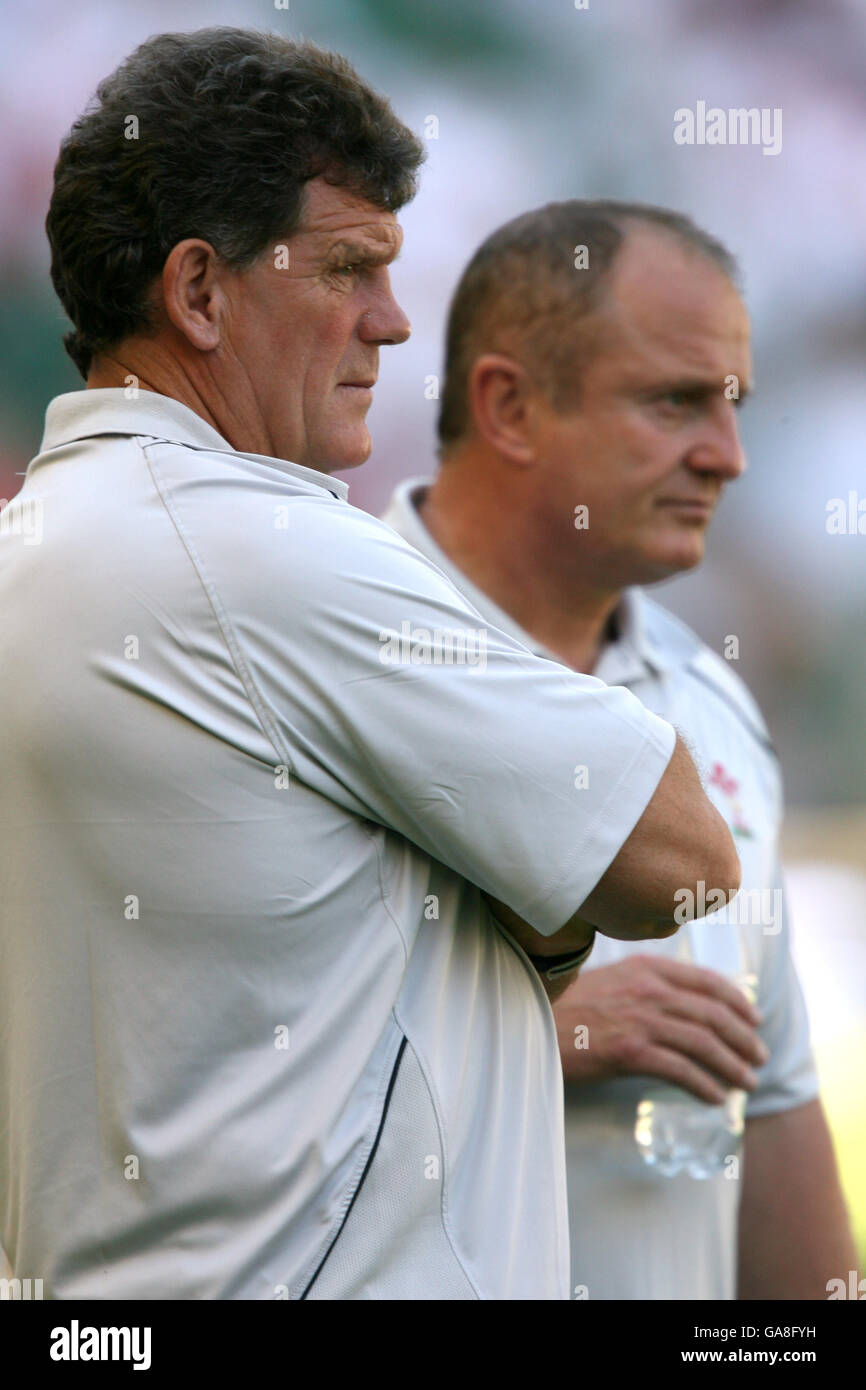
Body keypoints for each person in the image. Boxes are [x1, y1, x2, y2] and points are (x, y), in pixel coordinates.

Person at [0, 36, 739, 1301]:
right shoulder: (265, 549)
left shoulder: (31, 546)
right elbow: (679, 857)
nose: (394, 323)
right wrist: (509, 895)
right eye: (349, 268)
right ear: (199, 292)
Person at [381, 199, 859, 1300]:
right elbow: (198, 1074)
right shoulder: (312, 663)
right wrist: (538, 1036)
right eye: (673, 402)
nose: (726, 457)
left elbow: (772, 1104)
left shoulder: (712, 703)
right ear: (507, 404)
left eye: (732, 405)